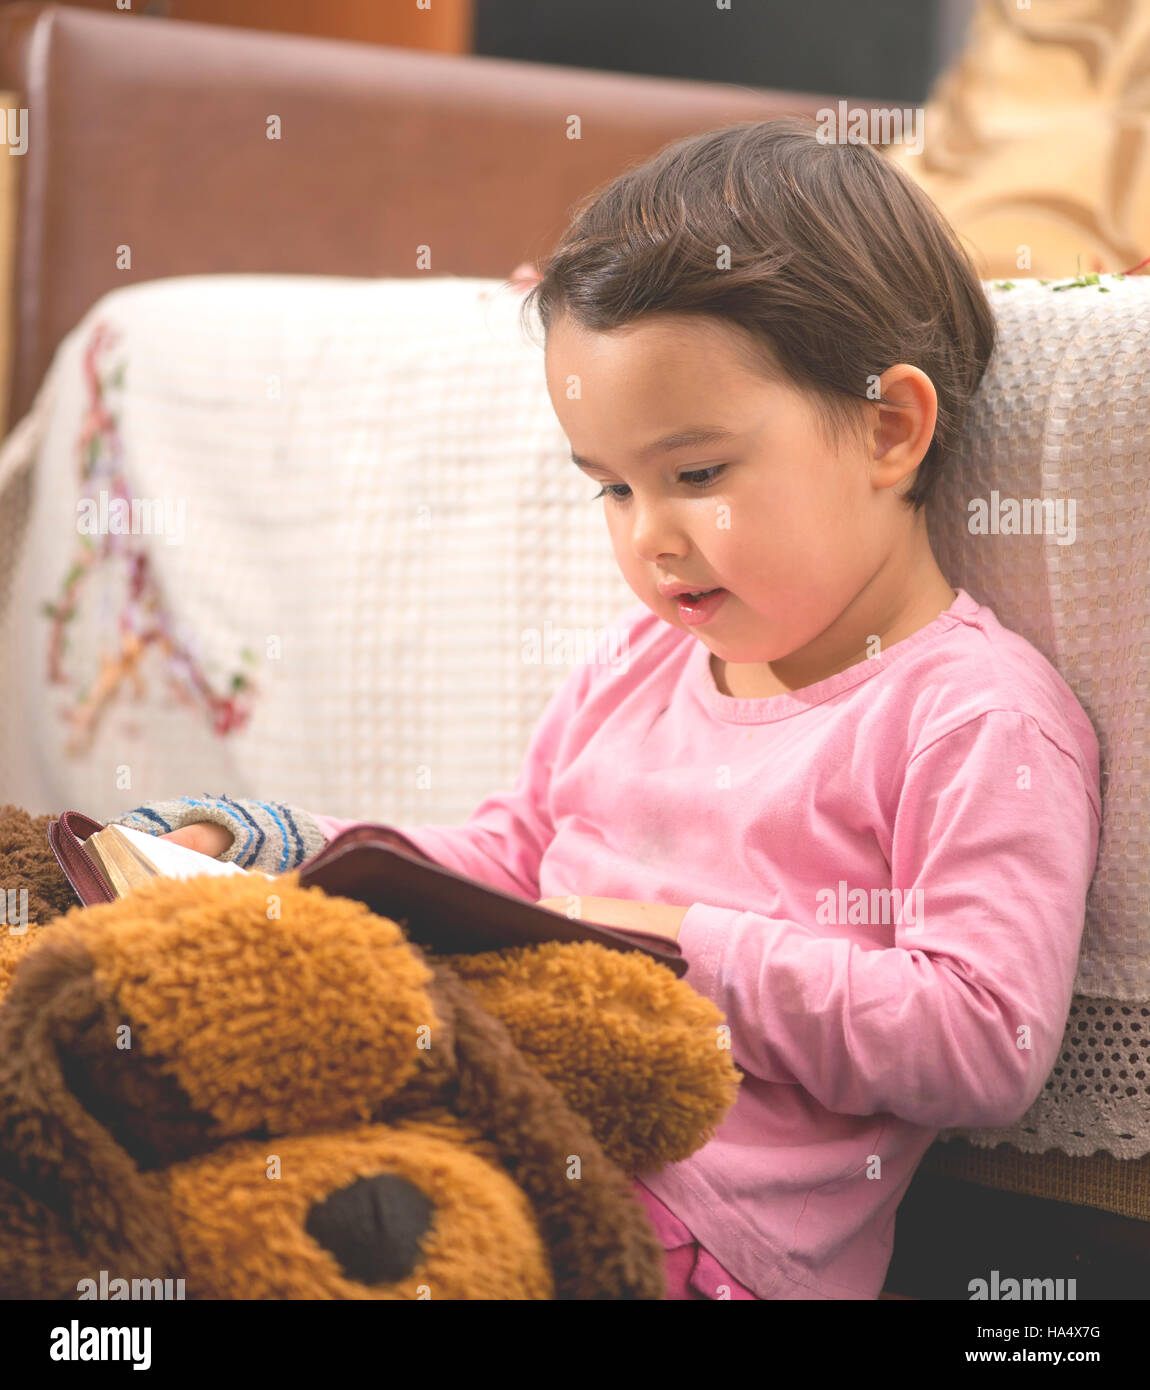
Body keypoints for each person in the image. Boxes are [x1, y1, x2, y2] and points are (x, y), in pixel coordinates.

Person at [112, 117, 1102, 1300]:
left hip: (697, 1229)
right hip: (499, 1118)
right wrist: (282, 853)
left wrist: (673, 943)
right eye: (611, 488)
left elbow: (983, 1040)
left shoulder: (972, 715)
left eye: (696, 475)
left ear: (888, 427)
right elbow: (505, 859)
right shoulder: (641, 660)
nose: (650, 538)